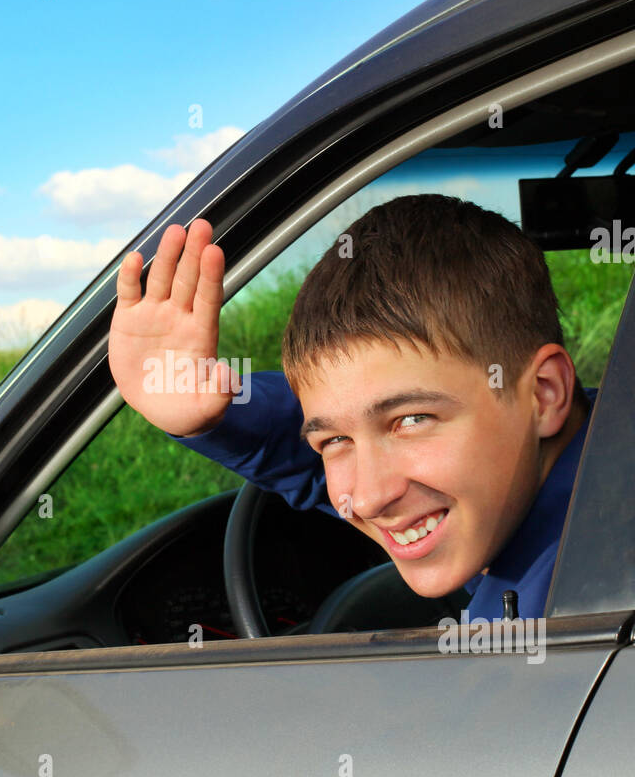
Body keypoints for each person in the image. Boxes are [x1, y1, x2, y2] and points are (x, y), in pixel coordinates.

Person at [108, 194, 593, 622]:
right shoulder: (604, 458)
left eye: (411, 420)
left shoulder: (569, 616)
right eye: (335, 441)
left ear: (544, 394)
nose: (365, 499)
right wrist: (217, 414)